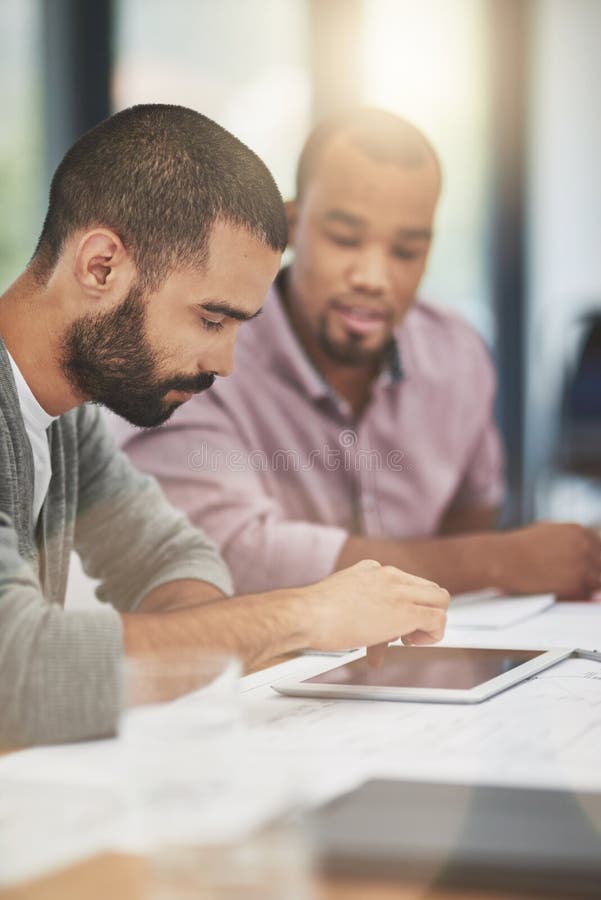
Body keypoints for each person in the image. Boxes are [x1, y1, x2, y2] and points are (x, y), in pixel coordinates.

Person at [0, 104, 449, 748]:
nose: (225, 363)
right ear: (101, 266)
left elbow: (172, 556)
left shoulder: (66, 420)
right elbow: (19, 667)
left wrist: (203, 646)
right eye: (212, 320)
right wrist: (305, 614)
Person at [115, 108, 601, 598]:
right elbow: (224, 553)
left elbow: (470, 516)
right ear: (290, 226)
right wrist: (495, 563)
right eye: (345, 240)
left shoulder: (457, 354)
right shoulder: (195, 354)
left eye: (406, 251)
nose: (373, 278)